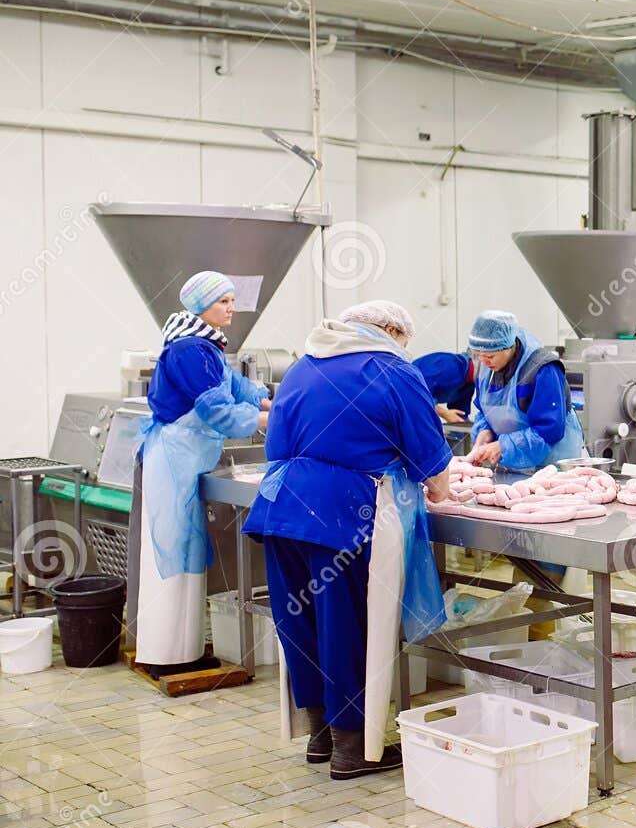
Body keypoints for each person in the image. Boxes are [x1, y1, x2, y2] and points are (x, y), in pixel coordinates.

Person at [244, 301, 453, 780]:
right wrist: (439, 489)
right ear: (390, 330)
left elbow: (276, 446)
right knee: (349, 626)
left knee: (304, 625)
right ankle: (353, 748)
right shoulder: (392, 371)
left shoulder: (303, 366)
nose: (405, 349)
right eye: (405, 339)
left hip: (282, 509)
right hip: (348, 513)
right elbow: (433, 467)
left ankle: (322, 735)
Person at [133, 271, 270, 670]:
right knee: (174, 554)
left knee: (186, 552)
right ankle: (168, 656)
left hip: (188, 456)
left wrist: (275, 401)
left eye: (232, 300)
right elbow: (216, 410)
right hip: (176, 457)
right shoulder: (192, 349)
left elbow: (238, 389)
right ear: (201, 306)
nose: (232, 308)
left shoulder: (203, 344)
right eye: (224, 301)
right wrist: (267, 421)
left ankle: (183, 650)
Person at [464, 311, 584, 471]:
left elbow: (550, 429)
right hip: (515, 468)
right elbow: (484, 410)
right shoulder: (486, 369)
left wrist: (503, 446)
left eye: (490, 356)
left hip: (554, 466)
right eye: (479, 355)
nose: (484, 362)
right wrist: (485, 432)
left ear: (509, 346)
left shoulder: (542, 369)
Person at [414, 350, 475, 423]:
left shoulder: (469, 384)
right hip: (403, 399)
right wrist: (444, 413)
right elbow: (417, 396)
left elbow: (459, 416)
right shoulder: (450, 365)